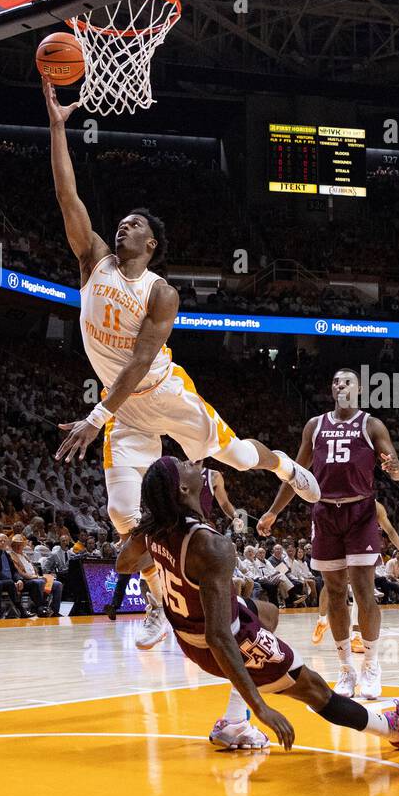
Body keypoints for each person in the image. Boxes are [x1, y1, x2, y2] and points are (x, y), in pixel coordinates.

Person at [43, 77, 321, 654]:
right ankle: (156, 600)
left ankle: (286, 467)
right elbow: (68, 197)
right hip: (123, 413)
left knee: (237, 456)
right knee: (123, 511)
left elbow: (142, 359)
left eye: (137, 224)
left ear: (152, 245)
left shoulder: (161, 292)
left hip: (161, 391)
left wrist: (96, 414)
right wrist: (58, 125)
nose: (124, 225)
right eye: (122, 221)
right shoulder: (92, 259)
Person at [115, 457, 399, 752]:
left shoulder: (157, 529)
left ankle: (236, 716)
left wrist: (147, 530)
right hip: (225, 639)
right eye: (183, 465)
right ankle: (395, 729)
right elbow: (219, 637)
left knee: (268, 612)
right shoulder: (210, 546)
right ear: (183, 489)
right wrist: (260, 706)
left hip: (187, 632)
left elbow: (123, 564)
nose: (191, 462)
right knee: (316, 689)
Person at [257, 368, 399, 699]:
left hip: (361, 511)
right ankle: (346, 670)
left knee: (364, 591)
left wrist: (395, 469)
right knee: (335, 592)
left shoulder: (371, 425)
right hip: (324, 512)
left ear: (359, 389)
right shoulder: (315, 426)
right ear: (332, 388)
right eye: (336, 381)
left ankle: (371, 665)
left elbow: (397, 466)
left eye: (348, 381)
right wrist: (273, 511)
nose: (341, 385)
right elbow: (295, 474)